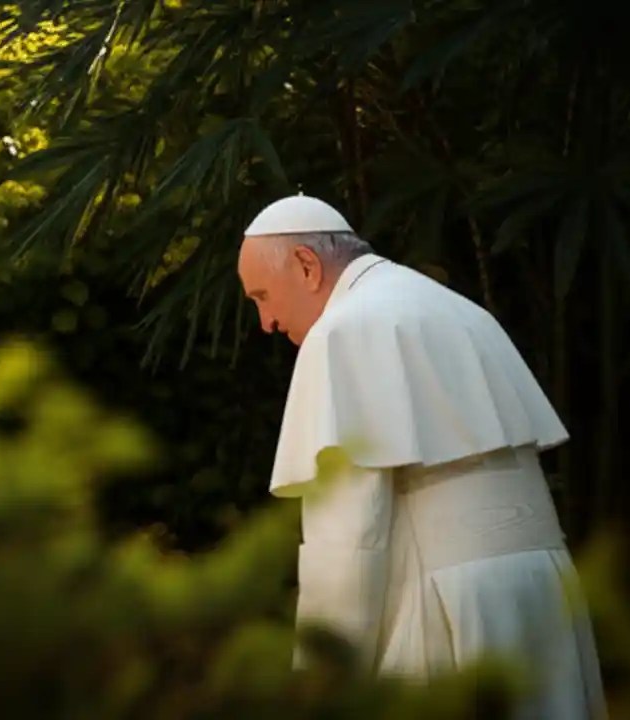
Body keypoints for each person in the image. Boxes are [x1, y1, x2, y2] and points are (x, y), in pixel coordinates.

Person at [237, 195, 607, 718]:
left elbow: (348, 537)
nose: (266, 322)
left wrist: (325, 677)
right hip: (543, 592)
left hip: (448, 608)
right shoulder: (460, 310)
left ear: (306, 265)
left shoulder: (341, 331)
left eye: (263, 296)